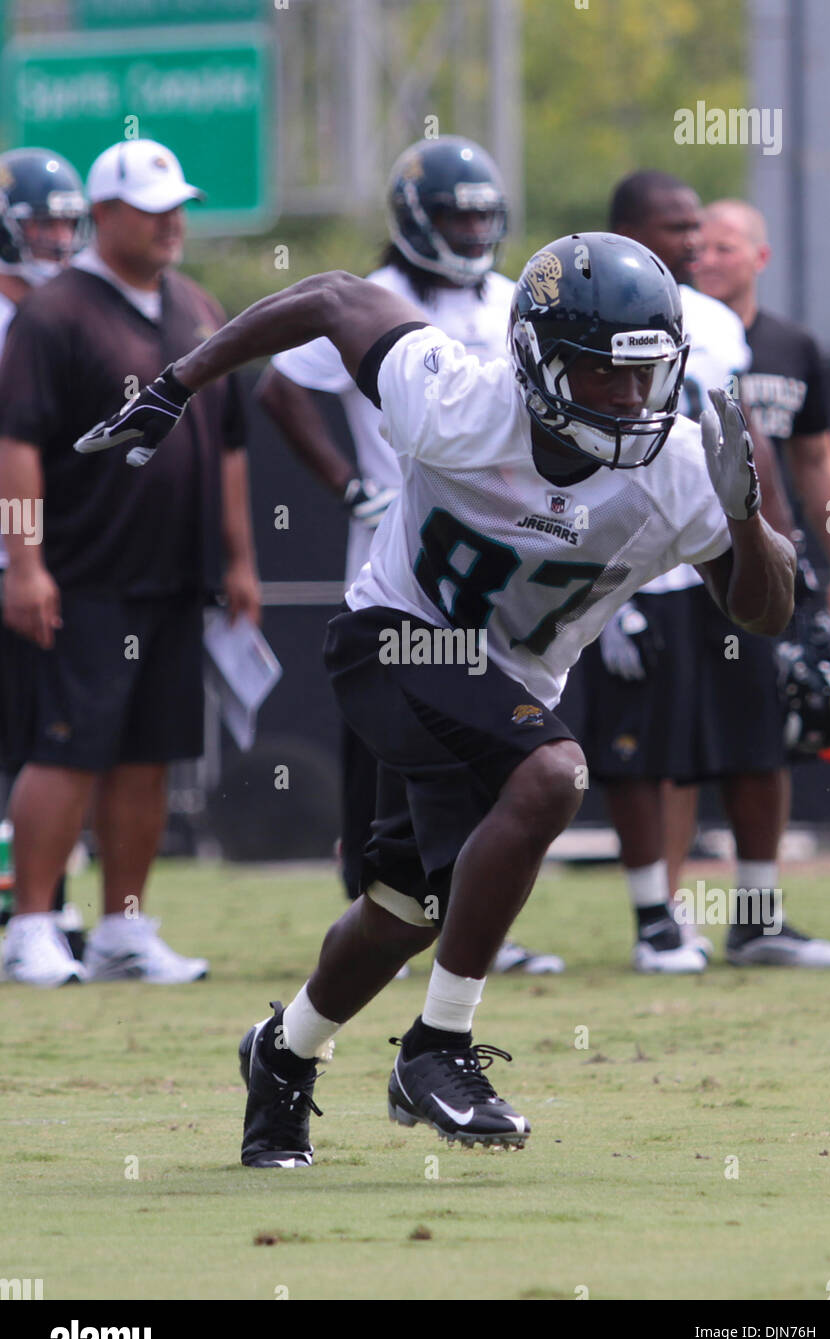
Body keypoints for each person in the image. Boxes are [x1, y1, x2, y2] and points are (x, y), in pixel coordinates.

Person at [75, 232, 796, 1164]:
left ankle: (282, 1058)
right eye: (601, 376)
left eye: (646, 376)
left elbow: (764, 613)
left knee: (404, 911)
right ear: (537, 361)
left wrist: (747, 522)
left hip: (506, 687)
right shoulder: (453, 393)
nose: (628, 401)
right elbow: (333, 296)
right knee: (551, 774)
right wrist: (179, 381)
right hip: (394, 639)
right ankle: (438, 1047)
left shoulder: (678, 469)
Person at [257, 135, 561, 976]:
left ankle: (473, 914)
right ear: (417, 219)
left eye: (481, 216)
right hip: (397, 559)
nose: (471, 231)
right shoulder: (376, 298)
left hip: (498, 564)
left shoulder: (515, 299)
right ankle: (377, 907)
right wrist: (350, 482)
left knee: (493, 741)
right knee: (392, 742)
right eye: (455, 215)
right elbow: (280, 386)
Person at [578, 171, 830, 973]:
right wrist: (599, 583)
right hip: (636, 565)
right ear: (628, 230)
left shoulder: (710, 321)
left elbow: (744, 436)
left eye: (701, 227)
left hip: (715, 546)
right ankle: (655, 921)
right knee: (642, 750)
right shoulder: (583, 309)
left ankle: (758, 917)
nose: (694, 243)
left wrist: (774, 538)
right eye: (677, 228)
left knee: (755, 735)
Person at [0, 138, 259, 988]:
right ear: (103, 217)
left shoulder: (196, 304)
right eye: (150, 211)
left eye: (178, 207)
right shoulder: (55, 314)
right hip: (86, 573)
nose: (170, 224)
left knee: (148, 757)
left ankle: (122, 929)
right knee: (67, 750)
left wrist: (240, 559)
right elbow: (18, 447)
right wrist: (25, 562)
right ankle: (33, 924)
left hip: (173, 576)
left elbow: (226, 446)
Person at [695, 198, 830, 635]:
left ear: (761, 256)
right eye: (700, 250)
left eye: (725, 249)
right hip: (688, 563)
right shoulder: (678, 341)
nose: (708, 261)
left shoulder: (792, 345)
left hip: (770, 562)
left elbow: (816, 462)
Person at [0, 147, 91, 958]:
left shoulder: (67, 319)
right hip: (17, 559)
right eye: (42, 223)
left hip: (53, 561)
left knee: (49, 740)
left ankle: (45, 909)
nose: (59, 238)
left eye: (69, 222)